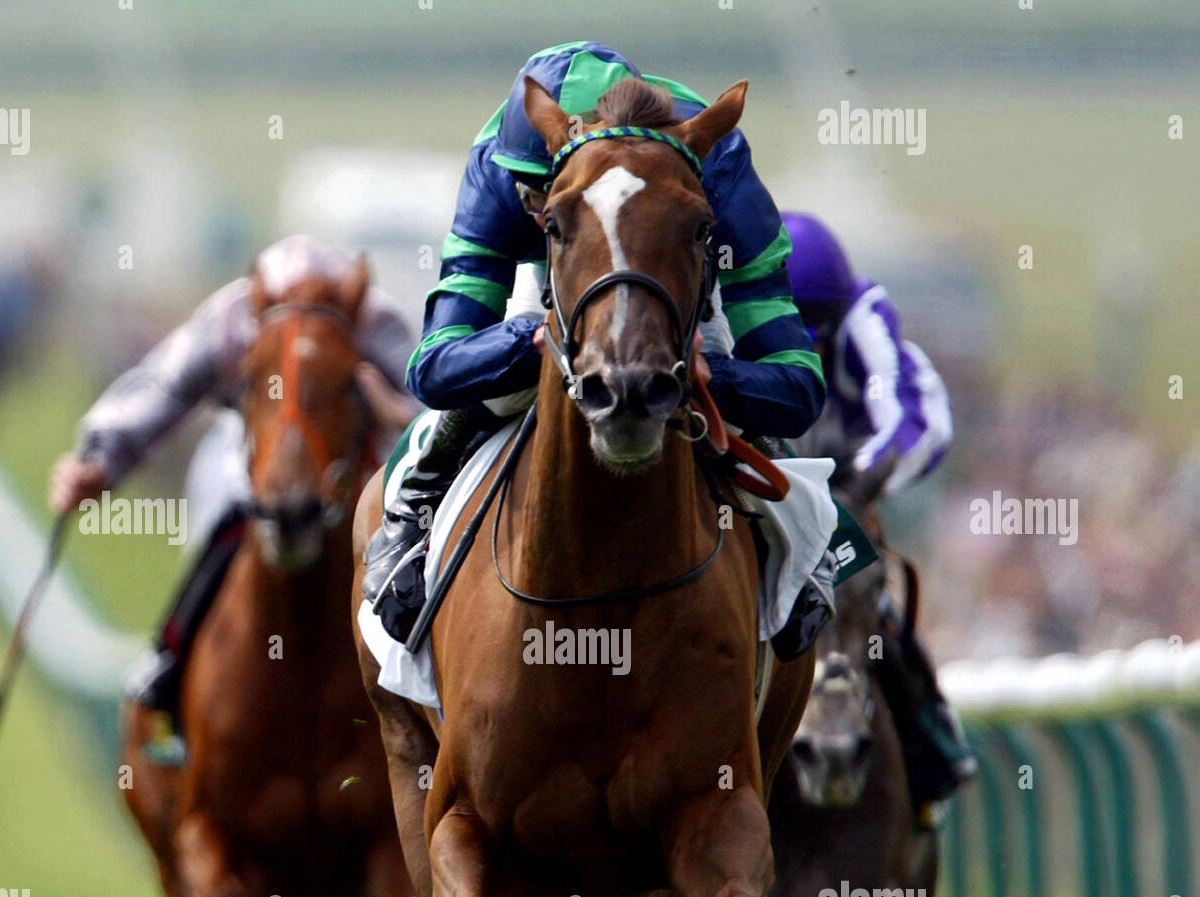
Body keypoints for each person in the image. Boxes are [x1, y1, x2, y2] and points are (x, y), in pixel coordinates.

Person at [362, 40, 827, 646]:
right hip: (562, 273)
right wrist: (530, 340)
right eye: (530, 197)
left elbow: (797, 384)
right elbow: (434, 368)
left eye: (539, 194)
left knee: (754, 418)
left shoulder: (720, 161)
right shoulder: (498, 167)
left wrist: (714, 374)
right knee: (489, 391)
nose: (527, 207)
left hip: (679, 283)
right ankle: (413, 508)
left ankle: (815, 547)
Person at [49, 234, 417, 763]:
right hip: (246, 463)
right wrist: (98, 459)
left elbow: (439, 408)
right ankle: (167, 675)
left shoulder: (379, 322)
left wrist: (399, 415)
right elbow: (163, 386)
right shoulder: (229, 316)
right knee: (224, 523)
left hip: (344, 478)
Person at [781, 210, 975, 823]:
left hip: (843, 500)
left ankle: (932, 752)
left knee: (878, 617)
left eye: (820, 324)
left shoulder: (869, 326)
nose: (808, 339)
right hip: (763, 504)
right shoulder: (729, 316)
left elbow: (914, 420)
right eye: (797, 323)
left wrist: (856, 482)